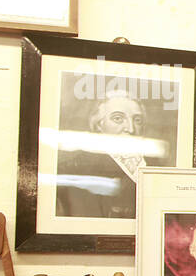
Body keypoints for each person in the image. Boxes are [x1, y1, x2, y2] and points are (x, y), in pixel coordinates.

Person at [55, 91, 150, 220]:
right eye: (118, 119)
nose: (131, 128)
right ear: (99, 125)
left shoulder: (154, 167)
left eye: (137, 120)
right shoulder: (77, 169)